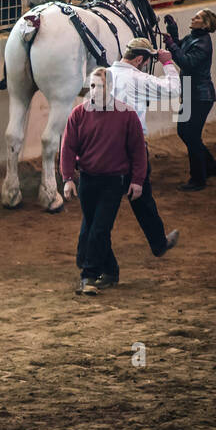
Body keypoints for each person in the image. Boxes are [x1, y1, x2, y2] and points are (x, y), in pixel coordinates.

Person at [59, 67, 147, 295]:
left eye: (99, 86)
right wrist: (68, 178)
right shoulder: (79, 114)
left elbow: (138, 151)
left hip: (113, 183)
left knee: (98, 229)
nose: (94, 91)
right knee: (94, 228)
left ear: (111, 88)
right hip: (87, 181)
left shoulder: (127, 115)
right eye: (92, 86)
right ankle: (111, 271)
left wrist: (137, 180)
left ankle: (88, 276)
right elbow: (67, 148)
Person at [106, 37, 182, 258]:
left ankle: (90, 257)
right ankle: (158, 243)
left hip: (102, 150)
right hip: (131, 149)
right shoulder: (139, 79)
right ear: (139, 59)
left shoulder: (104, 75)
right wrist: (167, 63)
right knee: (142, 197)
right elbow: (174, 90)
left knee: (103, 208)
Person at [161, 7, 216, 191]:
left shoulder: (203, 43)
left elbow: (186, 62)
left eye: (197, 17)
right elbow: (179, 47)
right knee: (186, 132)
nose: (193, 18)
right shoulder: (195, 37)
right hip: (193, 94)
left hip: (200, 96)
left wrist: (171, 44)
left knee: (190, 134)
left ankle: (198, 179)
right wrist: (173, 31)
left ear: (204, 24)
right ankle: (210, 167)